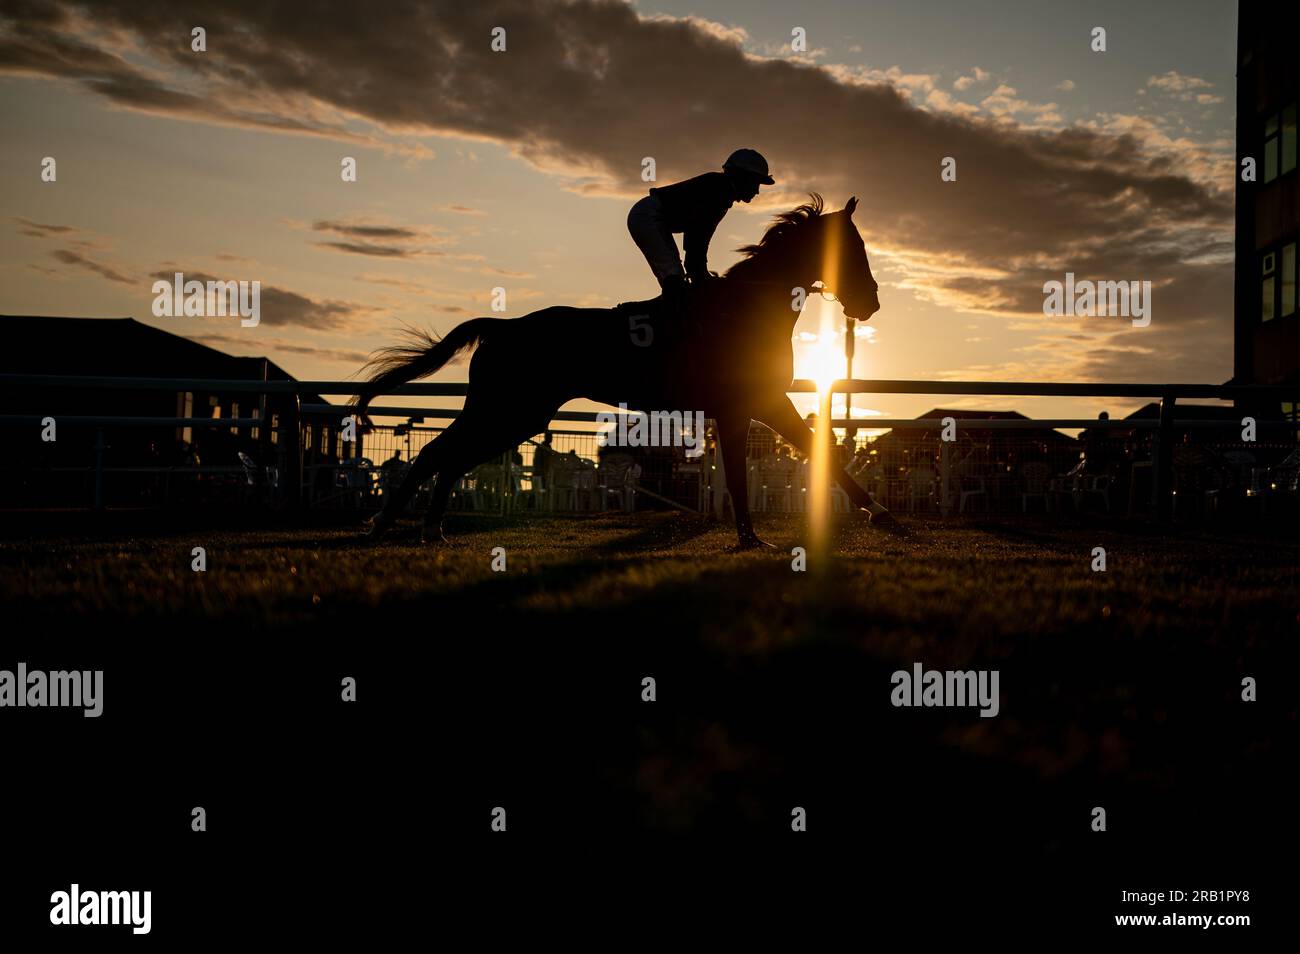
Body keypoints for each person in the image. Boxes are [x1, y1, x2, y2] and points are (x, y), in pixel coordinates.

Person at [626, 148, 775, 315]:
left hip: (651, 216)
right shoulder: (717, 191)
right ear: (743, 178)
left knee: (676, 279)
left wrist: (699, 273)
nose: (757, 191)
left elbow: (697, 239)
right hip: (648, 217)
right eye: (755, 183)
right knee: (674, 278)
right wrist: (700, 274)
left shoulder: (721, 191)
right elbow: (697, 237)